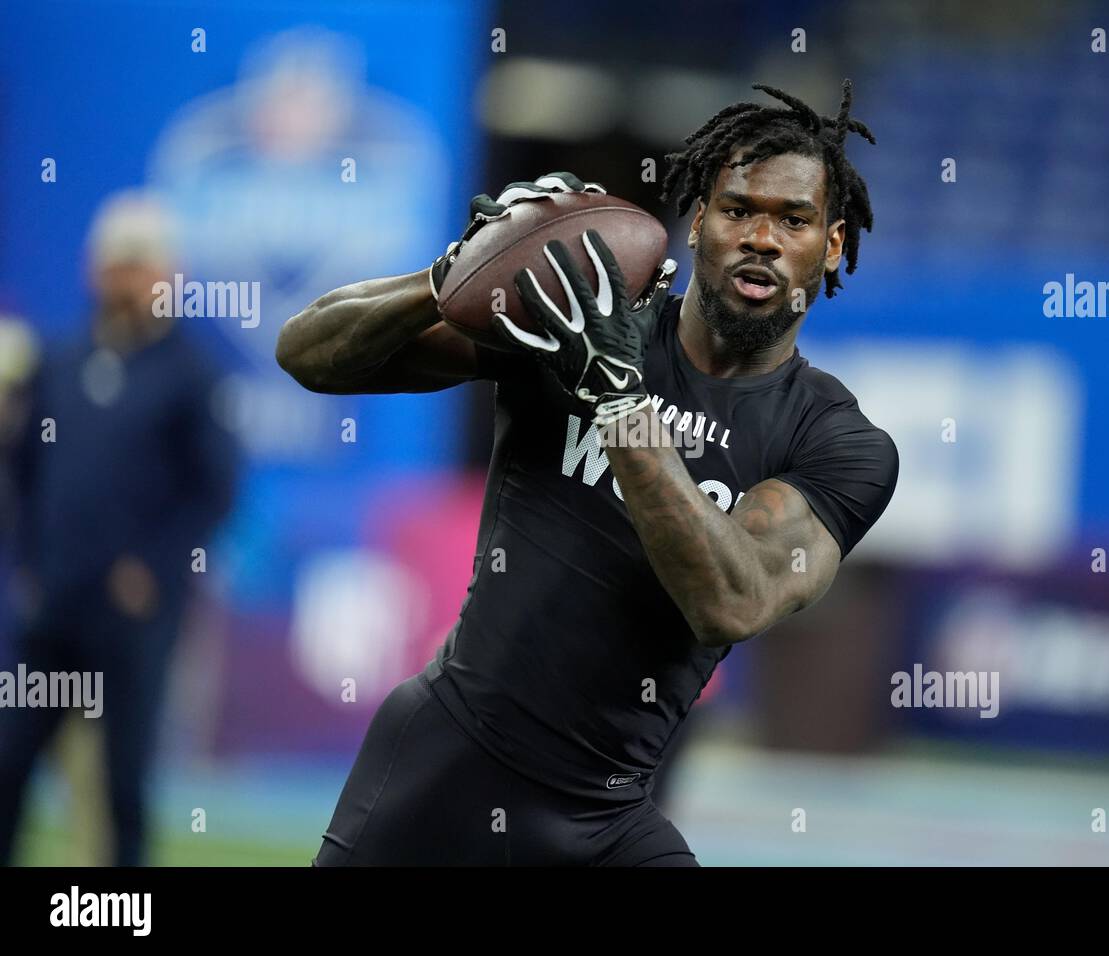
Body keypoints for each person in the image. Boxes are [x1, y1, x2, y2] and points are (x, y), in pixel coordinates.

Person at [278, 80, 899, 866]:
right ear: (698, 221)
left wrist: (620, 403)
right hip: (444, 762)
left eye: (794, 219)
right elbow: (307, 354)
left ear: (832, 245)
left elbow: (733, 600)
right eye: (739, 210)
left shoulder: (837, 442)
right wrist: (452, 275)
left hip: (604, 820)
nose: (763, 238)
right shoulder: (571, 317)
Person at [0, 191, 240, 866]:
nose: (127, 277)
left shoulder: (191, 375)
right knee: (10, 762)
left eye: (141, 263)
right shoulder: (62, 360)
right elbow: (22, 471)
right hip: (52, 606)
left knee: (122, 784)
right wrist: (26, 560)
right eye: (117, 262)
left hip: (133, 617)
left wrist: (153, 569)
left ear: (170, 274)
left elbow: (215, 490)